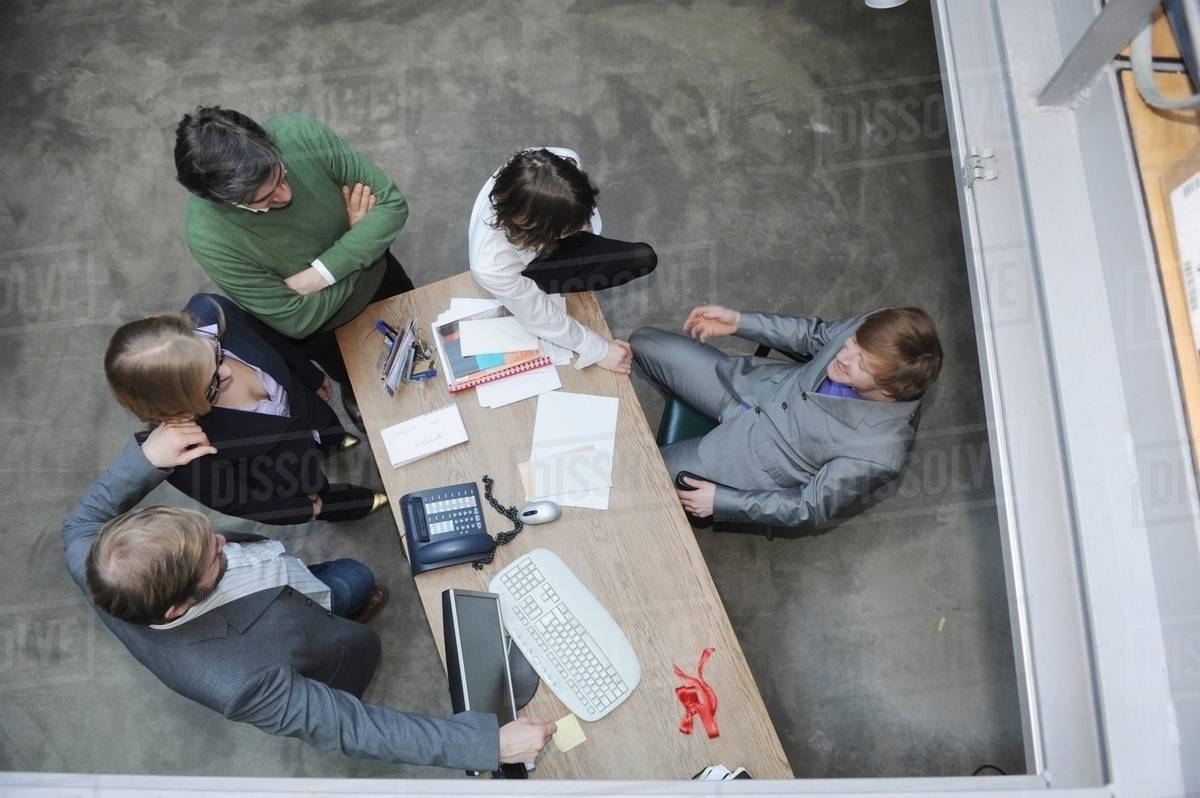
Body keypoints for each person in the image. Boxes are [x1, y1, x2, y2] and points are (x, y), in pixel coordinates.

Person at [62, 423, 557, 771]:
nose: (222, 542)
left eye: (205, 532)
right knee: (354, 582)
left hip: (285, 583)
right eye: (209, 558)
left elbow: (79, 522)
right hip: (309, 623)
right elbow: (355, 729)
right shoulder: (240, 682)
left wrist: (147, 458)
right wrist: (488, 745)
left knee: (349, 576)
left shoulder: (97, 559)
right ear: (176, 608)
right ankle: (355, 608)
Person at [175, 106, 412, 428]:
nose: (285, 195)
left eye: (281, 174)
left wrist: (319, 275)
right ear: (222, 200)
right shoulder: (209, 238)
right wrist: (360, 241)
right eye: (265, 199)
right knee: (360, 379)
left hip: (384, 279)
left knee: (419, 342)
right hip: (326, 331)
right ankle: (356, 395)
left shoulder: (300, 133)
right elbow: (297, 319)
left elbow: (392, 206)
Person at [630, 304, 943, 527]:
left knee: (637, 475)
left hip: (753, 459)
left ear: (889, 391)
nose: (843, 356)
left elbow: (810, 506)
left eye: (861, 365)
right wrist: (739, 322)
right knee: (642, 342)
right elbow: (814, 335)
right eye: (853, 344)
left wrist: (723, 502)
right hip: (748, 386)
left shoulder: (881, 455)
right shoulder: (878, 329)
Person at [104, 293, 386, 524]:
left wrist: (309, 375)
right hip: (290, 471)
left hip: (306, 405)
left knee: (327, 427)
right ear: (177, 406)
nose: (227, 370)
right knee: (319, 491)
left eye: (215, 352)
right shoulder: (183, 453)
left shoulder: (210, 312)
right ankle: (349, 503)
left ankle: (332, 441)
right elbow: (239, 500)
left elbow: (267, 338)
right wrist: (300, 509)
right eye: (212, 385)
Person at [469, 147, 658, 374]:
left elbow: (584, 226)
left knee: (642, 258)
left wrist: (575, 231)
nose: (584, 228)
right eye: (572, 227)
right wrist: (598, 348)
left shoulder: (565, 160)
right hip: (528, 265)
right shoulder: (492, 265)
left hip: (546, 234)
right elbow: (538, 316)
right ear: (534, 230)